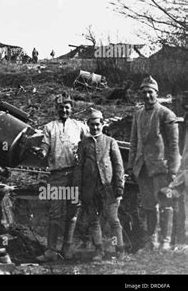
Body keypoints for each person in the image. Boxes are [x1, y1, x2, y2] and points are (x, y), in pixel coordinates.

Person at [127, 76, 180, 251]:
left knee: (165, 205)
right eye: (144, 92)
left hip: (160, 168)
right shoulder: (138, 114)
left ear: (157, 93)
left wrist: (173, 170)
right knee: (148, 205)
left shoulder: (166, 114)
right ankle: (152, 239)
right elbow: (134, 142)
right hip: (142, 168)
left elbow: (173, 146)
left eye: (150, 92)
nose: (147, 96)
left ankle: (165, 240)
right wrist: (131, 166)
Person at [35, 92, 88, 261]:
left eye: (67, 107)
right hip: (57, 175)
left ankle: (67, 247)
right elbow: (45, 146)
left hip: (74, 174)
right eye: (60, 108)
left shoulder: (79, 126)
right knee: (55, 212)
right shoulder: (49, 127)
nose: (64, 110)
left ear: (71, 109)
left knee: (72, 210)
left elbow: (88, 144)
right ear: (56, 109)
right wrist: (40, 153)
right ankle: (51, 250)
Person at [74, 109, 125, 261]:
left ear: (102, 124)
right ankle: (99, 250)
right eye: (92, 125)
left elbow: (118, 165)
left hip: (107, 188)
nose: (95, 128)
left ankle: (120, 249)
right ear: (88, 125)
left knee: (113, 219)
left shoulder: (110, 142)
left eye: (97, 124)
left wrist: (119, 186)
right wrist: (77, 188)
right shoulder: (83, 144)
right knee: (93, 220)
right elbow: (79, 167)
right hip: (89, 189)